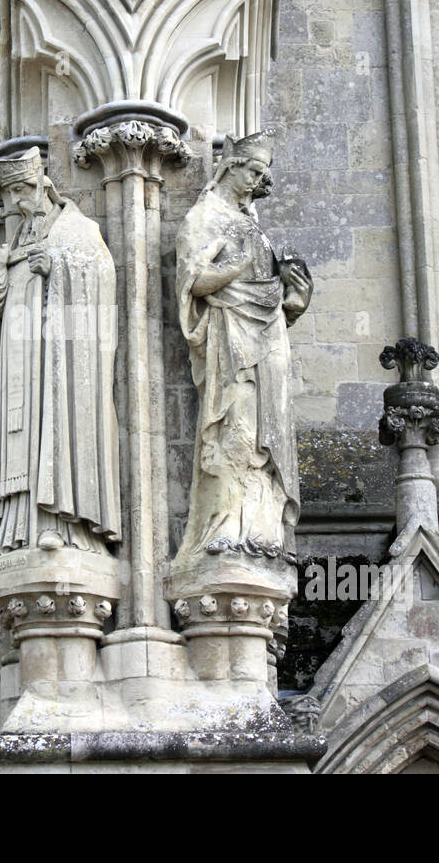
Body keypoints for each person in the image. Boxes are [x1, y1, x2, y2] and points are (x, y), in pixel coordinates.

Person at [0, 147, 121, 570]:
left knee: (53, 428)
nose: (17, 203)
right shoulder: (17, 238)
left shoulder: (78, 230)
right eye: (11, 195)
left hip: (58, 359)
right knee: (18, 436)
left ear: (43, 185)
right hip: (18, 357)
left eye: (22, 191)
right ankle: (15, 531)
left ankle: (61, 523)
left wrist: (57, 266)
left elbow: (101, 280)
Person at [173, 131, 312, 568]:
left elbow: (271, 295)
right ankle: (225, 528)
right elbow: (193, 281)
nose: (257, 182)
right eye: (252, 171)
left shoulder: (253, 225)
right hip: (231, 338)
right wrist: (239, 267)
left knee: (265, 433)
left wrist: (295, 298)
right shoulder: (205, 217)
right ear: (229, 166)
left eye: (263, 174)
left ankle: (263, 531)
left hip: (268, 338)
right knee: (236, 427)